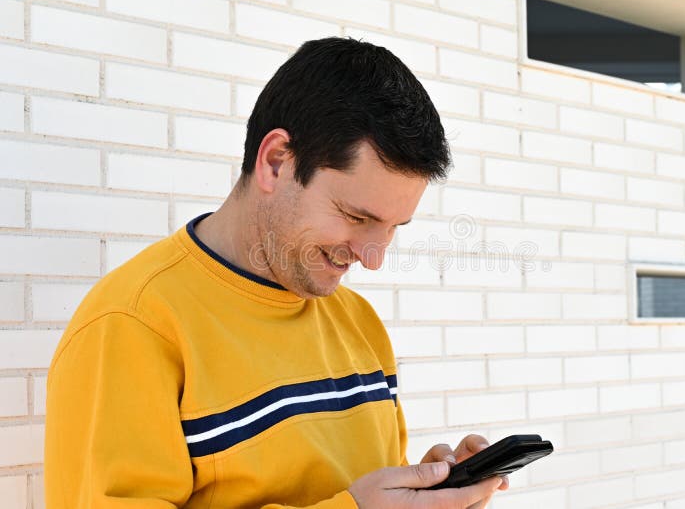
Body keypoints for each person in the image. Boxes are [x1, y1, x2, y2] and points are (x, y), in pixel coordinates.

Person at [44, 37, 508, 508]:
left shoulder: (358, 322)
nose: (373, 258)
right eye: (356, 216)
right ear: (276, 162)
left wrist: (424, 493)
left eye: (392, 228)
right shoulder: (133, 324)